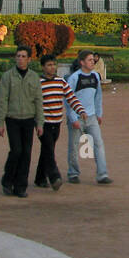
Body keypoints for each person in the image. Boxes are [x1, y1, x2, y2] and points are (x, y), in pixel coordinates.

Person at [0, 48, 45, 198]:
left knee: (26, 153)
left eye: (24, 56)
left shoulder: (34, 78)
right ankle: (7, 180)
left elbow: (38, 101)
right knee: (16, 150)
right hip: (13, 118)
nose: (20, 59)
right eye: (18, 56)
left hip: (29, 119)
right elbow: (2, 100)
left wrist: (40, 123)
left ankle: (20, 186)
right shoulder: (8, 77)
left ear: (29, 59)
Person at [37, 54, 84, 191]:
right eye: (49, 65)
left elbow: (71, 97)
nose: (52, 68)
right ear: (43, 67)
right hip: (43, 123)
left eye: (53, 65)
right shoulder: (38, 83)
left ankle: (40, 177)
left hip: (56, 123)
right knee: (49, 150)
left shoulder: (60, 82)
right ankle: (54, 176)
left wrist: (80, 110)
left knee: (46, 150)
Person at [66, 50, 111, 184]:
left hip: (91, 117)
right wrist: (73, 118)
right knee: (74, 146)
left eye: (93, 60)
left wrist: (99, 113)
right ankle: (73, 173)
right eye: (90, 60)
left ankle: (102, 174)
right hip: (77, 117)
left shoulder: (95, 77)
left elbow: (98, 97)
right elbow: (68, 99)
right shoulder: (74, 78)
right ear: (82, 62)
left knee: (98, 144)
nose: (93, 62)